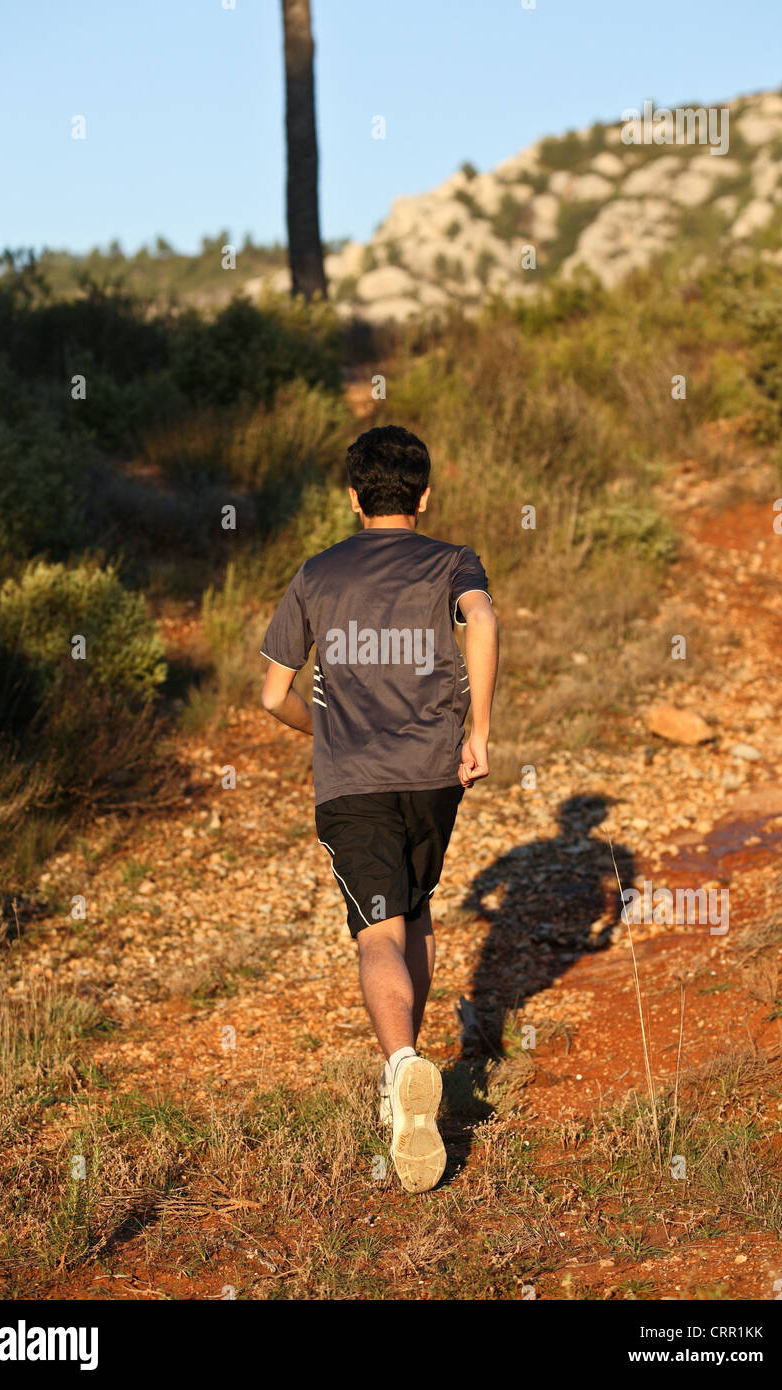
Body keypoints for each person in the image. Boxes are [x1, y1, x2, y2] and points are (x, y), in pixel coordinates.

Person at [260, 425, 498, 1192]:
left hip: (353, 779)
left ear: (354, 496)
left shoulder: (317, 574)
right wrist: (481, 731)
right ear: (423, 497)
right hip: (433, 775)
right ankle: (409, 1085)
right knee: (418, 910)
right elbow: (484, 621)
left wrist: (320, 729)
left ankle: (401, 1066)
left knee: (377, 931)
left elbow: (272, 694)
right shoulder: (454, 560)